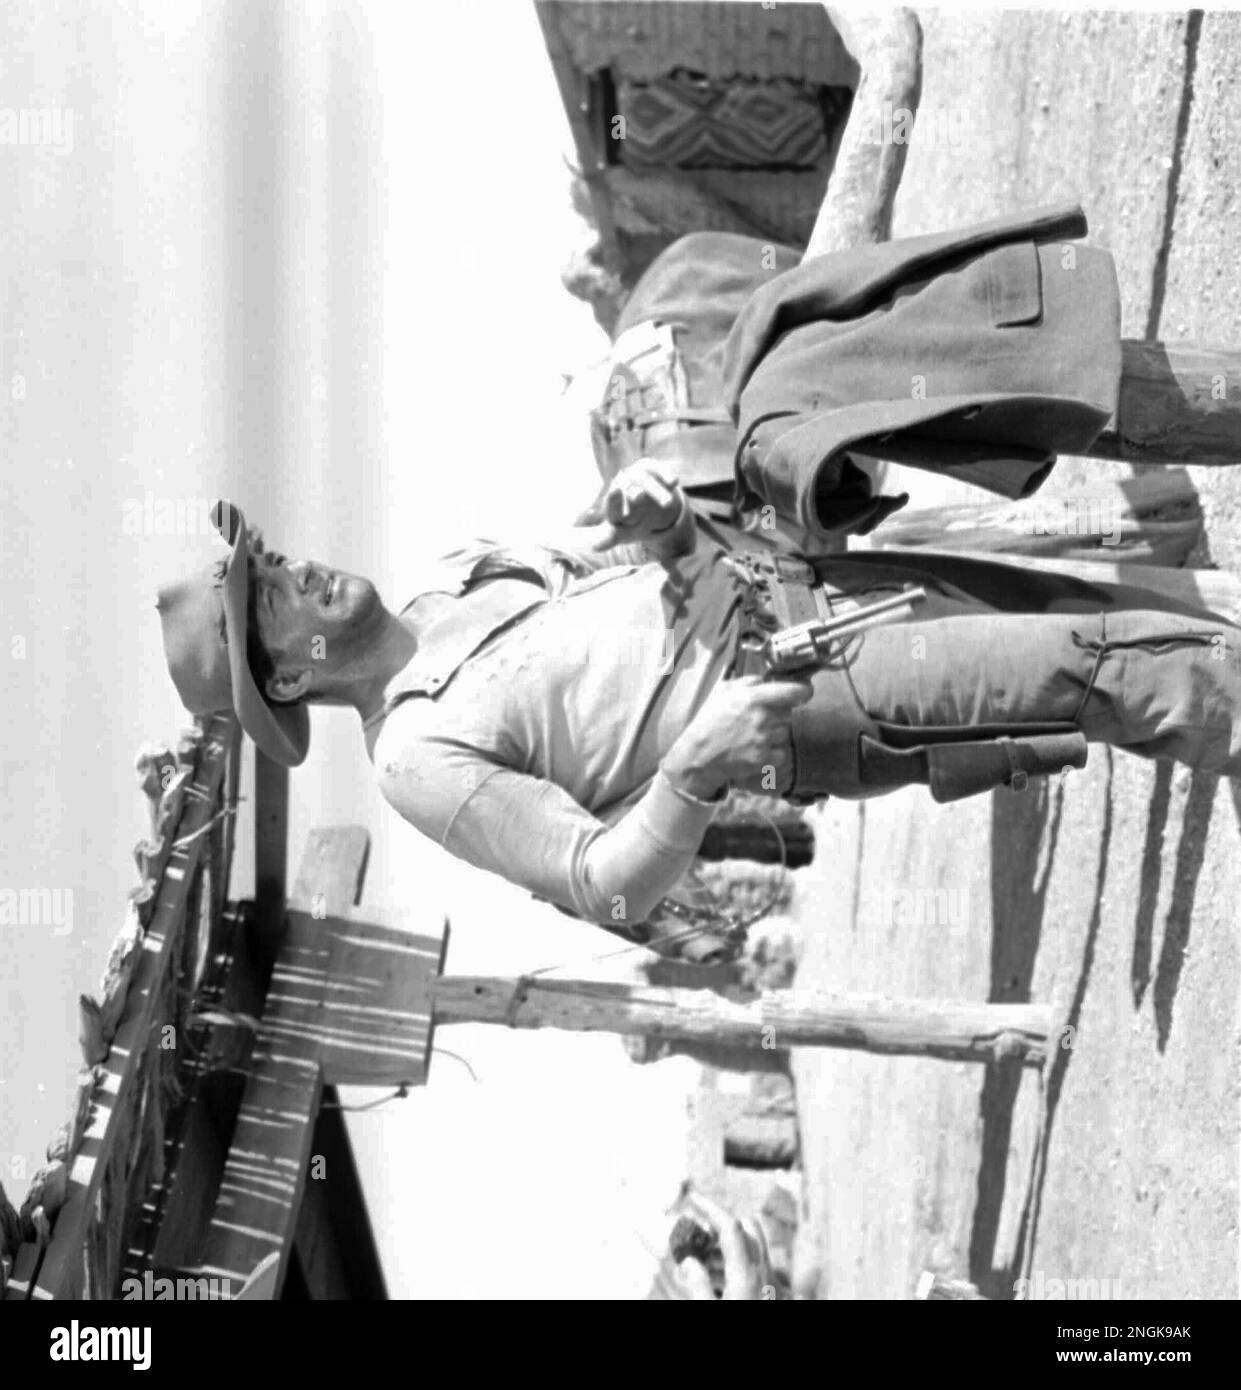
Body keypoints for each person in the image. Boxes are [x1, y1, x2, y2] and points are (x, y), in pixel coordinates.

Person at [155, 477, 1241, 938]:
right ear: (289, 678)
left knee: (1072, 610)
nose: (302, 572)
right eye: (277, 596)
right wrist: (692, 768)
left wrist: (655, 517)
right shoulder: (416, 758)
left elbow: (627, 561)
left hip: (790, 584)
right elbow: (602, 886)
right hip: (804, 691)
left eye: (284, 558)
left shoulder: (455, 577)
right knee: (1089, 667)